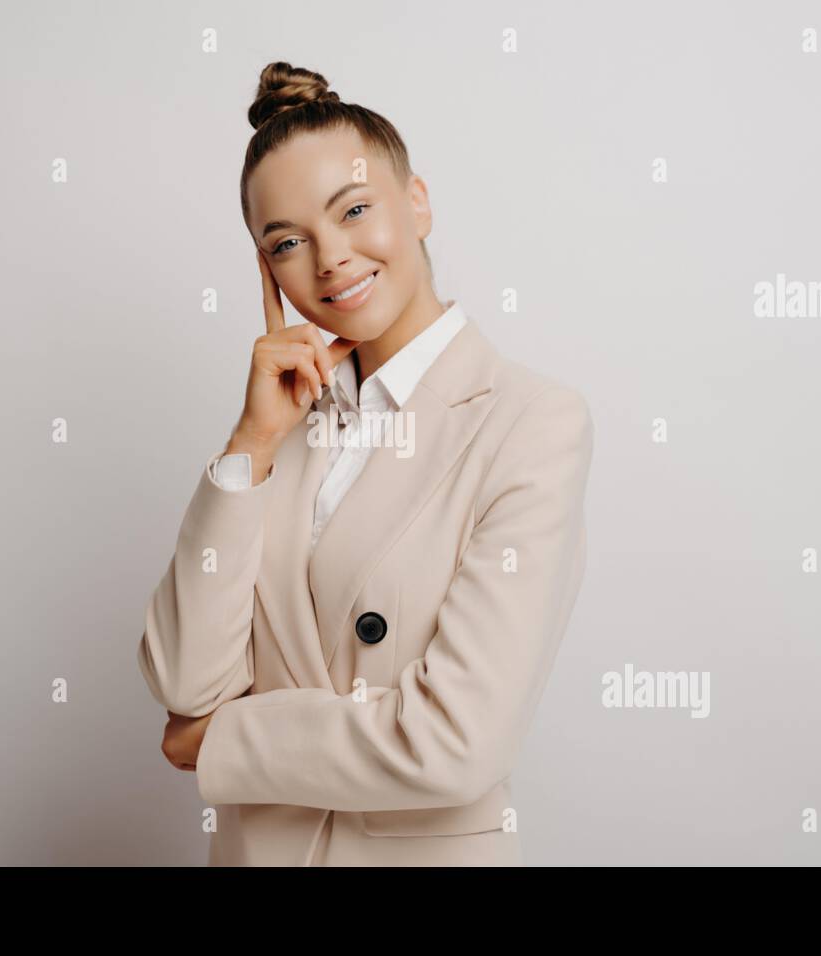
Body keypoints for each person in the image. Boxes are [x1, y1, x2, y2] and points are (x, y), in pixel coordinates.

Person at [138, 61, 595, 865]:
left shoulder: (530, 424)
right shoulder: (282, 431)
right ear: (264, 268)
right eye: (288, 242)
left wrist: (226, 743)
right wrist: (251, 444)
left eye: (354, 211)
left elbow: (457, 739)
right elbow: (184, 684)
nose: (331, 260)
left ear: (416, 202)